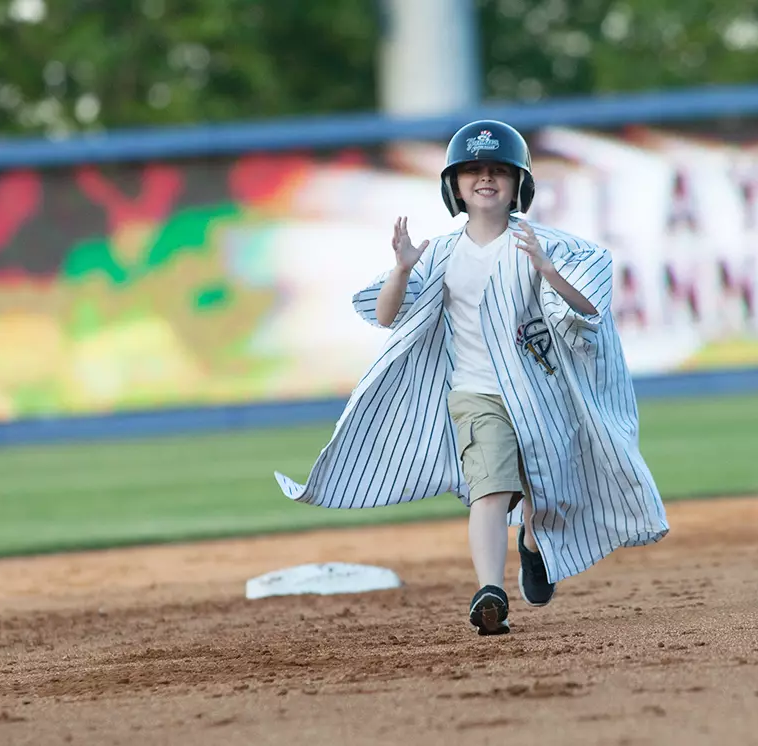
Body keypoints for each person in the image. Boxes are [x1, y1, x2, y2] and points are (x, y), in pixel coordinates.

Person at [274, 120, 667, 635]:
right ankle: (490, 590)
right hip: (477, 393)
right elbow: (388, 314)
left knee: (549, 491)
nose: (486, 179)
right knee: (490, 488)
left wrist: (548, 271)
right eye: (473, 170)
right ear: (454, 185)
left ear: (519, 183)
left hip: (545, 397)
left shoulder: (549, 247)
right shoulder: (438, 253)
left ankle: (532, 542)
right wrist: (400, 268)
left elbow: (590, 308)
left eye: (499, 171)